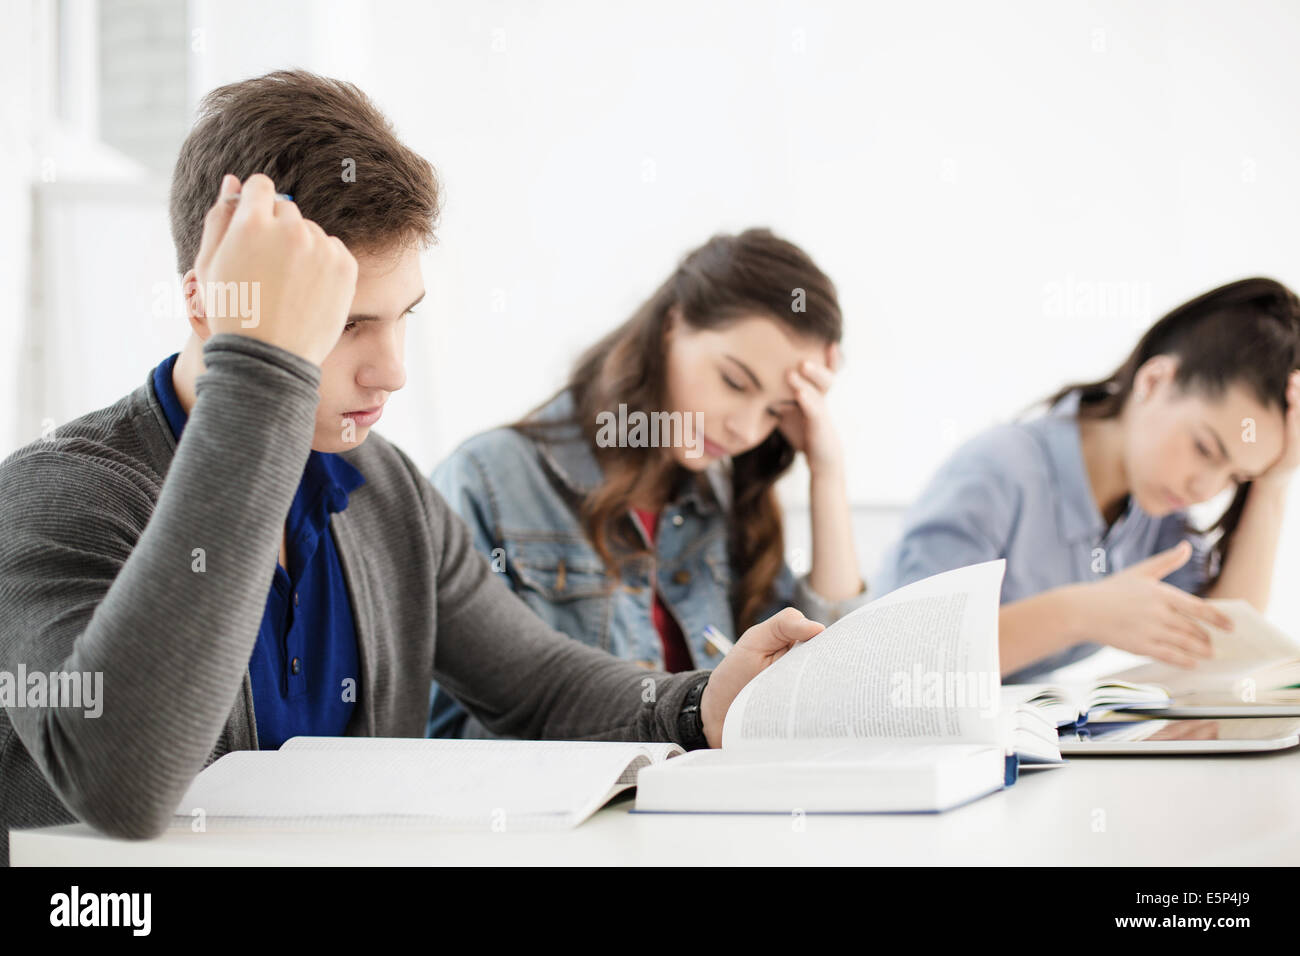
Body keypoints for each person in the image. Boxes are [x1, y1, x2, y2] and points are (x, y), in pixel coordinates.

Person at [0, 71, 826, 866]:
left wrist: (696, 702)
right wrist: (257, 367)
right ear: (207, 300)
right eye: (347, 322)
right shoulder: (57, 495)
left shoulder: (384, 490)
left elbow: (535, 684)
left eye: (403, 319)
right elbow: (121, 782)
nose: (391, 370)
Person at [426, 229, 868, 738]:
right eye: (735, 382)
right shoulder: (488, 477)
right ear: (671, 324)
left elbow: (823, 680)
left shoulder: (719, 497)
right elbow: (451, 733)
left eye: (776, 410)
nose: (746, 429)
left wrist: (826, 472)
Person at [873, 277, 1300, 682]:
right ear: (1153, 381)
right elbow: (908, 656)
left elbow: (1222, 646)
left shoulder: (1156, 514)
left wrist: (1275, 485)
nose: (1205, 489)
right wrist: (1080, 613)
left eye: (1238, 476)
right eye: (1205, 449)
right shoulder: (1000, 469)